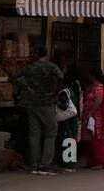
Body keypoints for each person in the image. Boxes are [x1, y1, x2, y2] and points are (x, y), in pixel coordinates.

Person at [9, 45, 63, 176]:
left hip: (32, 103)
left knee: (35, 133)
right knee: (51, 132)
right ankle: (45, 165)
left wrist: (27, 88)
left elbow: (13, 78)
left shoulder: (29, 67)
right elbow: (60, 77)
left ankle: (34, 165)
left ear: (36, 55)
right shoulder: (51, 66)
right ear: (46, 54)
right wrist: (55, 93)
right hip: (45, 102)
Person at [56, 65, 84, 173]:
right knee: (71, 140)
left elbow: (64, 106)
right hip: (73, 120)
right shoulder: (71, 91)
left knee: (66, 140)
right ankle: (71, 165)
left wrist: (55, 101)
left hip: (67, 120)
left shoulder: (64, 92)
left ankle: (67, 166)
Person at [81, 68, 104, 169]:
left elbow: (98, 101)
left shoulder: (99, 87)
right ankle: (92, 161)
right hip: (89, 116)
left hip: (96, 117)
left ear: (93, 76)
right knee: (88, 139)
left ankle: (100, 162)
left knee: (97, 139)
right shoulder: (91, 87)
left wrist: (90, 113)